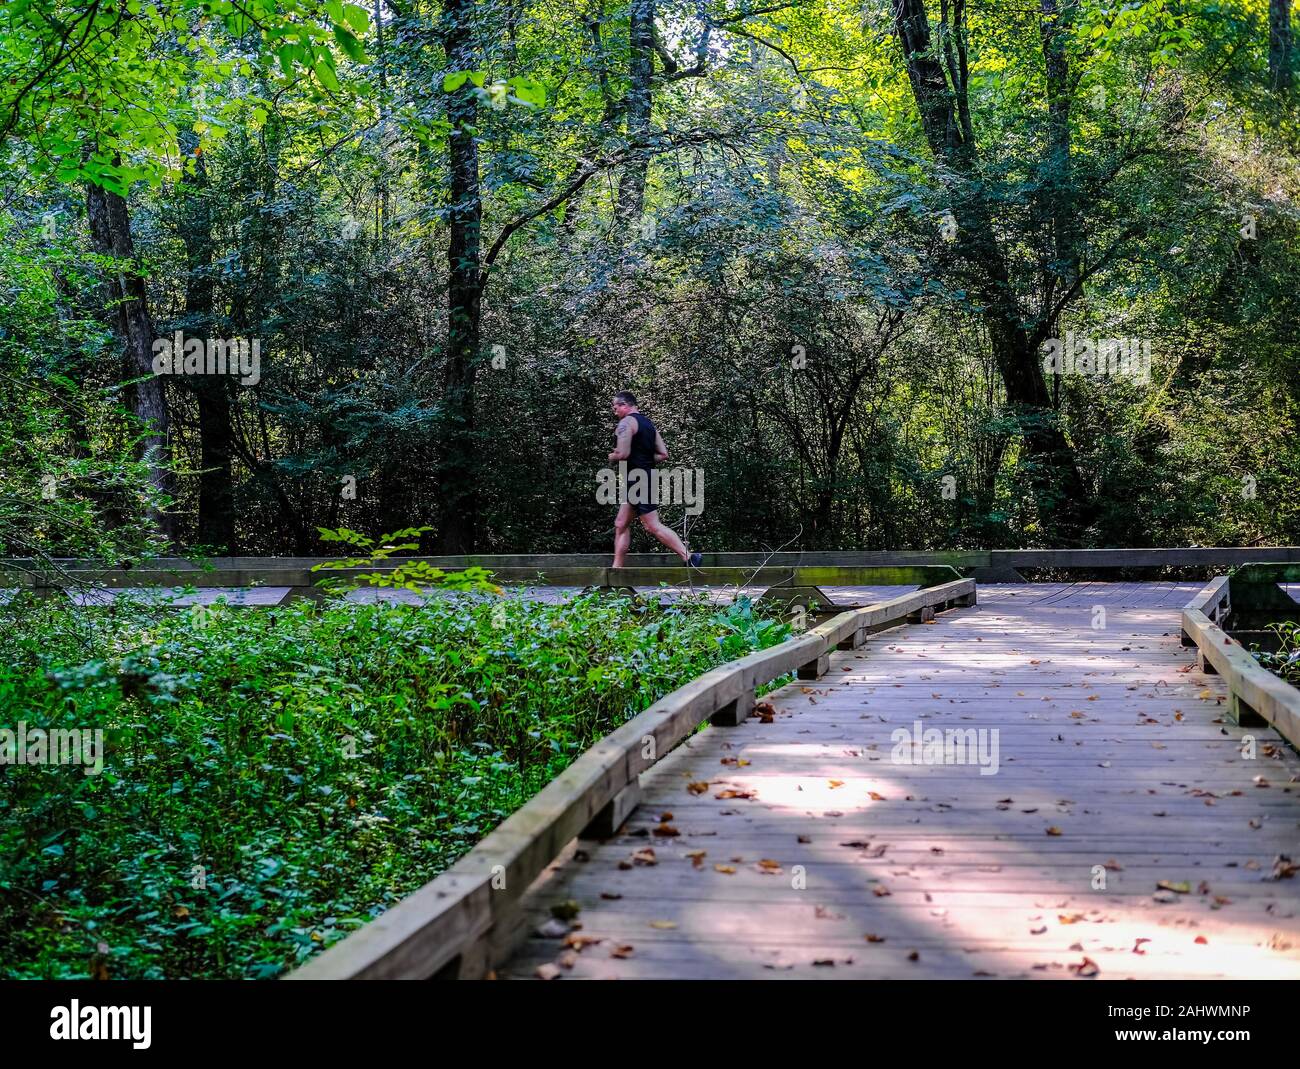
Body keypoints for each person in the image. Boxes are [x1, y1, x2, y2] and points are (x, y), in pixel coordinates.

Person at [608, 391, 702, 569]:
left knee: (652, 525)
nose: (615, 412)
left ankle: (689, 557)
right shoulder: (649, 425)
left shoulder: (626, 423)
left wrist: (612, 456)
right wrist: (643, 461)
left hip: (638, 480)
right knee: (620, 524)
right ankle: (616, 570)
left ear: (624, 405)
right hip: (641, 478)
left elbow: (622, 454)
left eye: (615, 408)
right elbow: (663, 454)